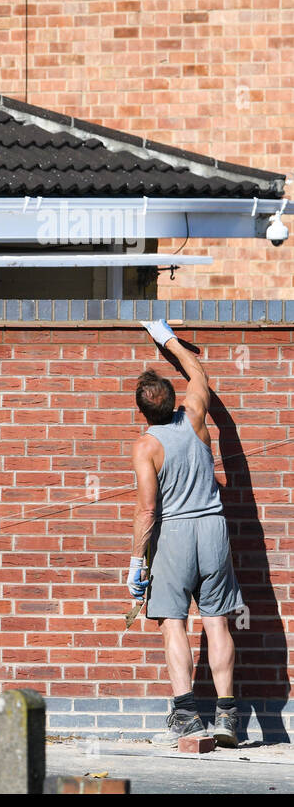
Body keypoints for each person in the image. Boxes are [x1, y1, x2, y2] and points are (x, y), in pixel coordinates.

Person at [129, 320, 243, 747]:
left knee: (172, 623)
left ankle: (186, 715)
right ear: (174, 401)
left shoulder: (146, 445)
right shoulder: (195, 415)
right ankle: (227, 715)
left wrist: (135, 563)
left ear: (142, 411)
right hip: (213, 528)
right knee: (217, 623)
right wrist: (167, 339)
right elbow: (199, 374)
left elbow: (146, 510)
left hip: (174, 536)